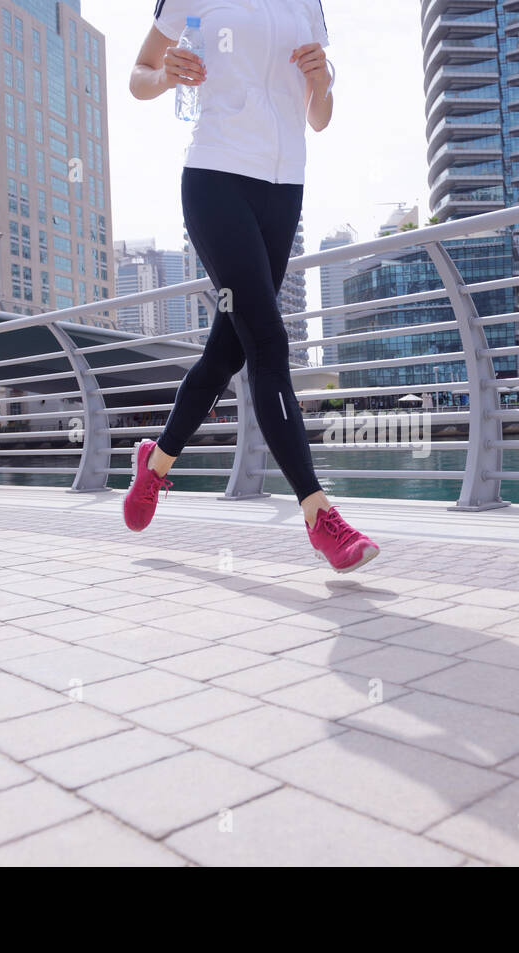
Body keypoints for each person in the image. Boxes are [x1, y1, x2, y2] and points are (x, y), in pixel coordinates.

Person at [122, 0, 378, 573]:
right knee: (268, 343)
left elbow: (320, 117)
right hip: (215, 178)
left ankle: (156, 464)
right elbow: (139, 74)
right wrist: (165, 77)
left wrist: (321, 82)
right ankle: (320, 517)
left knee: (227, 350)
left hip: (284, 190)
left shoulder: (306, 5)